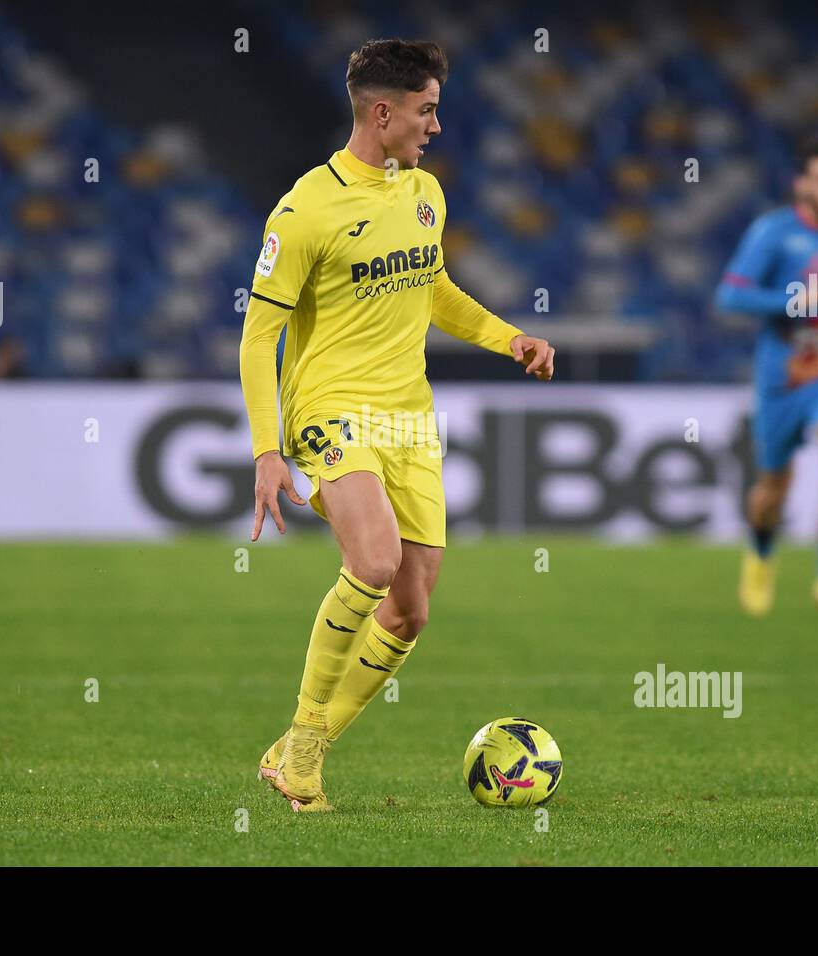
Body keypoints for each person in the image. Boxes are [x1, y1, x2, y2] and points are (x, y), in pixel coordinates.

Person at [238, 39, 555, 811]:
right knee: (374, 562)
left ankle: (291, 752)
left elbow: (433, 285)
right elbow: (257, 336)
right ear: (383, 113)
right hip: (332, 408)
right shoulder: (306, 207)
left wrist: (504, 335)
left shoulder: (423, 192)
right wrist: (267, 450)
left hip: (410, 417)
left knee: (411, 608)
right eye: (426, 111)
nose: (435, 127)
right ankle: (307, 744)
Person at [715, 138, 818, 618]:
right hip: (782, 375)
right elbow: (731, 295)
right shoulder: (774, 231)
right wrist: (791, 301)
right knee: (772, 486)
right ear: (801, 185)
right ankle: (760, 556)